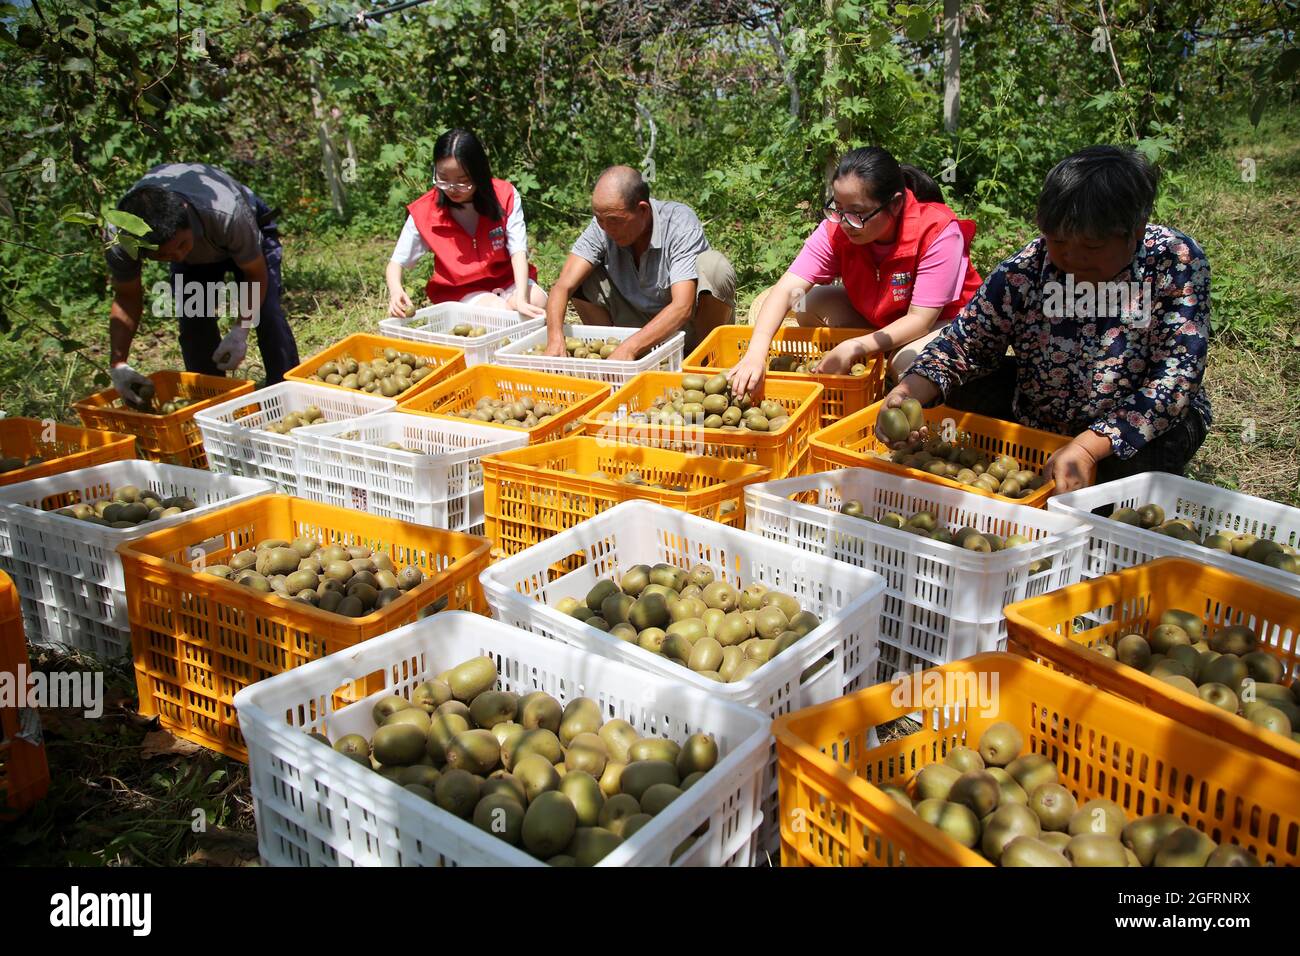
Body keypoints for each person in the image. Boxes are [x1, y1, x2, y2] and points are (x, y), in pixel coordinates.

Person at [878, 145, 1212, 495]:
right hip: (1037, 413)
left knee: (1132, 472)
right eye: (1059, 240)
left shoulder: (1173, 262)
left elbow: (1174, 379)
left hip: (1130, 423)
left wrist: (1087, 447)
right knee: (956, 389)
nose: (1072, 257)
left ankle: (1094, 462)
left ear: (1137, 229)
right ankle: (1045, 450)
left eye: (1093, 247)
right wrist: (910, 390)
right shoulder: (1029, 268)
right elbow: (965, 342)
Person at [728, 147, 982, 396]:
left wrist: (855, 346)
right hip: (885, 316)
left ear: (894, 204)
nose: (846, 222)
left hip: (944, 321)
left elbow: (920, 320)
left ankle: (900, 370)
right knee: (807, 303)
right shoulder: (837, 228)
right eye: (838, 207)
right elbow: (787, 289)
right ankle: (877, 358)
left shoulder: (937, 231)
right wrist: (756, 352)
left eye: (858, 213)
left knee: (908, 363)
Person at [105, 163, 299, 406]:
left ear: (186, 215)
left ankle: (287, 393)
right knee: (195, 324)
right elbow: (126, 297)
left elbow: (254, 274)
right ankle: (214, 402)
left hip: (240, 229)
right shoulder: (121, 239)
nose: (177, 258)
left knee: (265, 313)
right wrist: (118, 363)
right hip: (204, 238)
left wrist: (240, 331)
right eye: (163, 256)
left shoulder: (227, 213)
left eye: (182, 246)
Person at [544, 166, 736, 360]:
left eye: (614, 221)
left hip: (686, 328)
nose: (607, 229)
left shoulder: (679, 223)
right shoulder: (603, 225)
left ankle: (703, 357)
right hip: (632, 323)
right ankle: (609, 354)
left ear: (643, 210)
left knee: (715, 267)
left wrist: (630, 348)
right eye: (599, 219)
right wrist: (554, 337)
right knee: (580, 278)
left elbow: (682, 307)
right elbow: (563, 286)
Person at [386, 128, 547, 319]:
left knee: (537, 300)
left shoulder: (505, 195)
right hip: (460, 291)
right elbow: (396, 263)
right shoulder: (424, 211)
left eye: (463, 181)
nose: (453, 189)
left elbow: (518, 251)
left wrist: (520, 297)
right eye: (443, 179)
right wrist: (396, 291)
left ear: (479, 174)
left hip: (506, 280)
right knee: (497, 311)